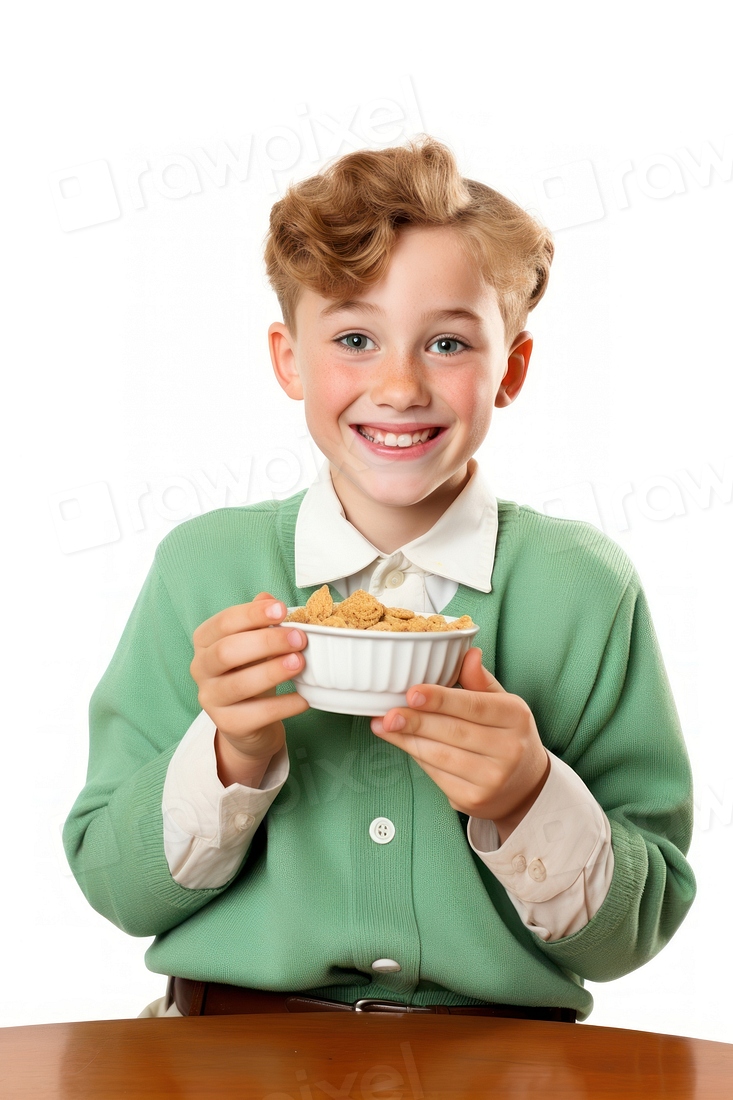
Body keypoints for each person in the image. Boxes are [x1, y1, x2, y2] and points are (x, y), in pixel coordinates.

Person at [63, 135, 695, 1024]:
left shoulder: (583, 590)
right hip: (223, 1052)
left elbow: (631, 933)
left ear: (509, 368)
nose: (398, 387)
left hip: (498, 1066)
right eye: (355, 338)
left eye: (445, 342)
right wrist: (230, 752)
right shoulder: (202, 569)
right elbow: (114, 887)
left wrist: (525, 794)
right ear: (289, 358)